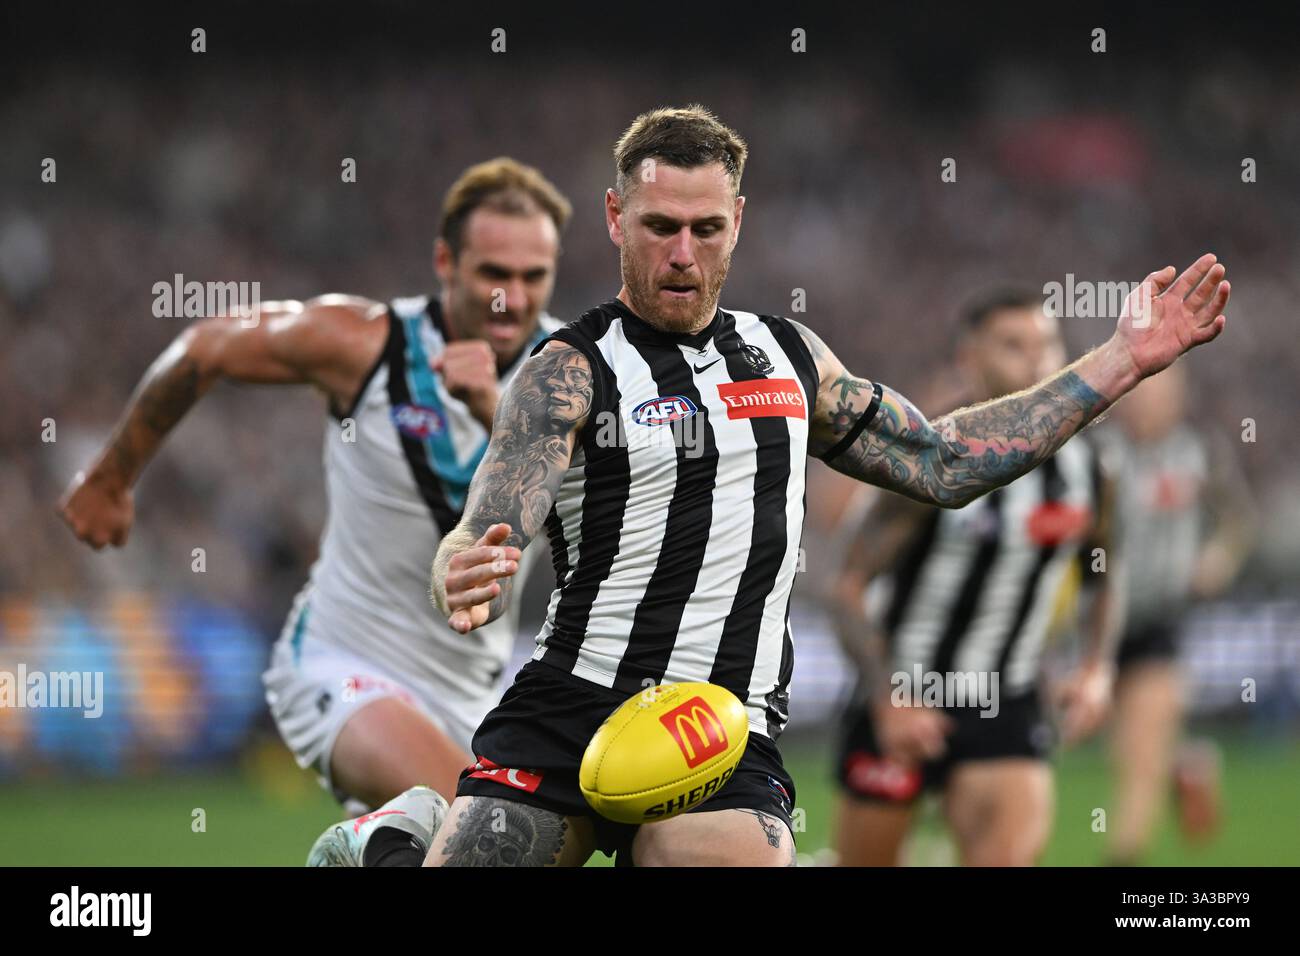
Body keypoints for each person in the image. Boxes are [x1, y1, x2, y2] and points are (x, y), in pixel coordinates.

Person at [424, 104, 1230, 867]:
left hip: (720, 728)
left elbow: (943, 461)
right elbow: (490, 522)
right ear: (613, 217)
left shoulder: (791, 360)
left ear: (737, 220)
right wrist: (465, 566)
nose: (682, 253)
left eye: (706, 229)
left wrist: (1120, 360)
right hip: (566, 708)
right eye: (659, 227)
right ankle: (393, 844)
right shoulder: (568, 372)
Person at [58, 158, 571, 865]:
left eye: (532, 277)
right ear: (444, 261)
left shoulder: (574, 374)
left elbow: (603, 508)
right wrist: (112, 478)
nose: (511, 298)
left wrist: (494, 408)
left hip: (479, 696)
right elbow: (205, 348)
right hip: (344, 662)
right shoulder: (365, 344)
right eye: (492, 273)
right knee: (488, 834)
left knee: (481, 849)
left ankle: (368, 850)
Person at [829, 289, 1122, 866]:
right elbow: (847, 587)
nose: (1037, 363)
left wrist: (1095, 668)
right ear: (970, 357)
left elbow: (1106, 570)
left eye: (1047, 346)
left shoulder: (1093, 467)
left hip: (1005, 702)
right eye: (1014, 346)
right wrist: (889, 700)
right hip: (904, 696)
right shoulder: (928, 454)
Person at [1101, 363, 1257, 865]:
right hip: (1100, 627)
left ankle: (1124, 858)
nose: (1149, 404)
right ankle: (1187, 762)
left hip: (1160, 621)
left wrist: (1217, 559)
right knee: (1122, 748)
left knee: (1137, 764)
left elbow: (1236, 519)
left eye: (1161, 394)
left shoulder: (1200, 453)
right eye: (1141, 395)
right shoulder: (1101, 456)